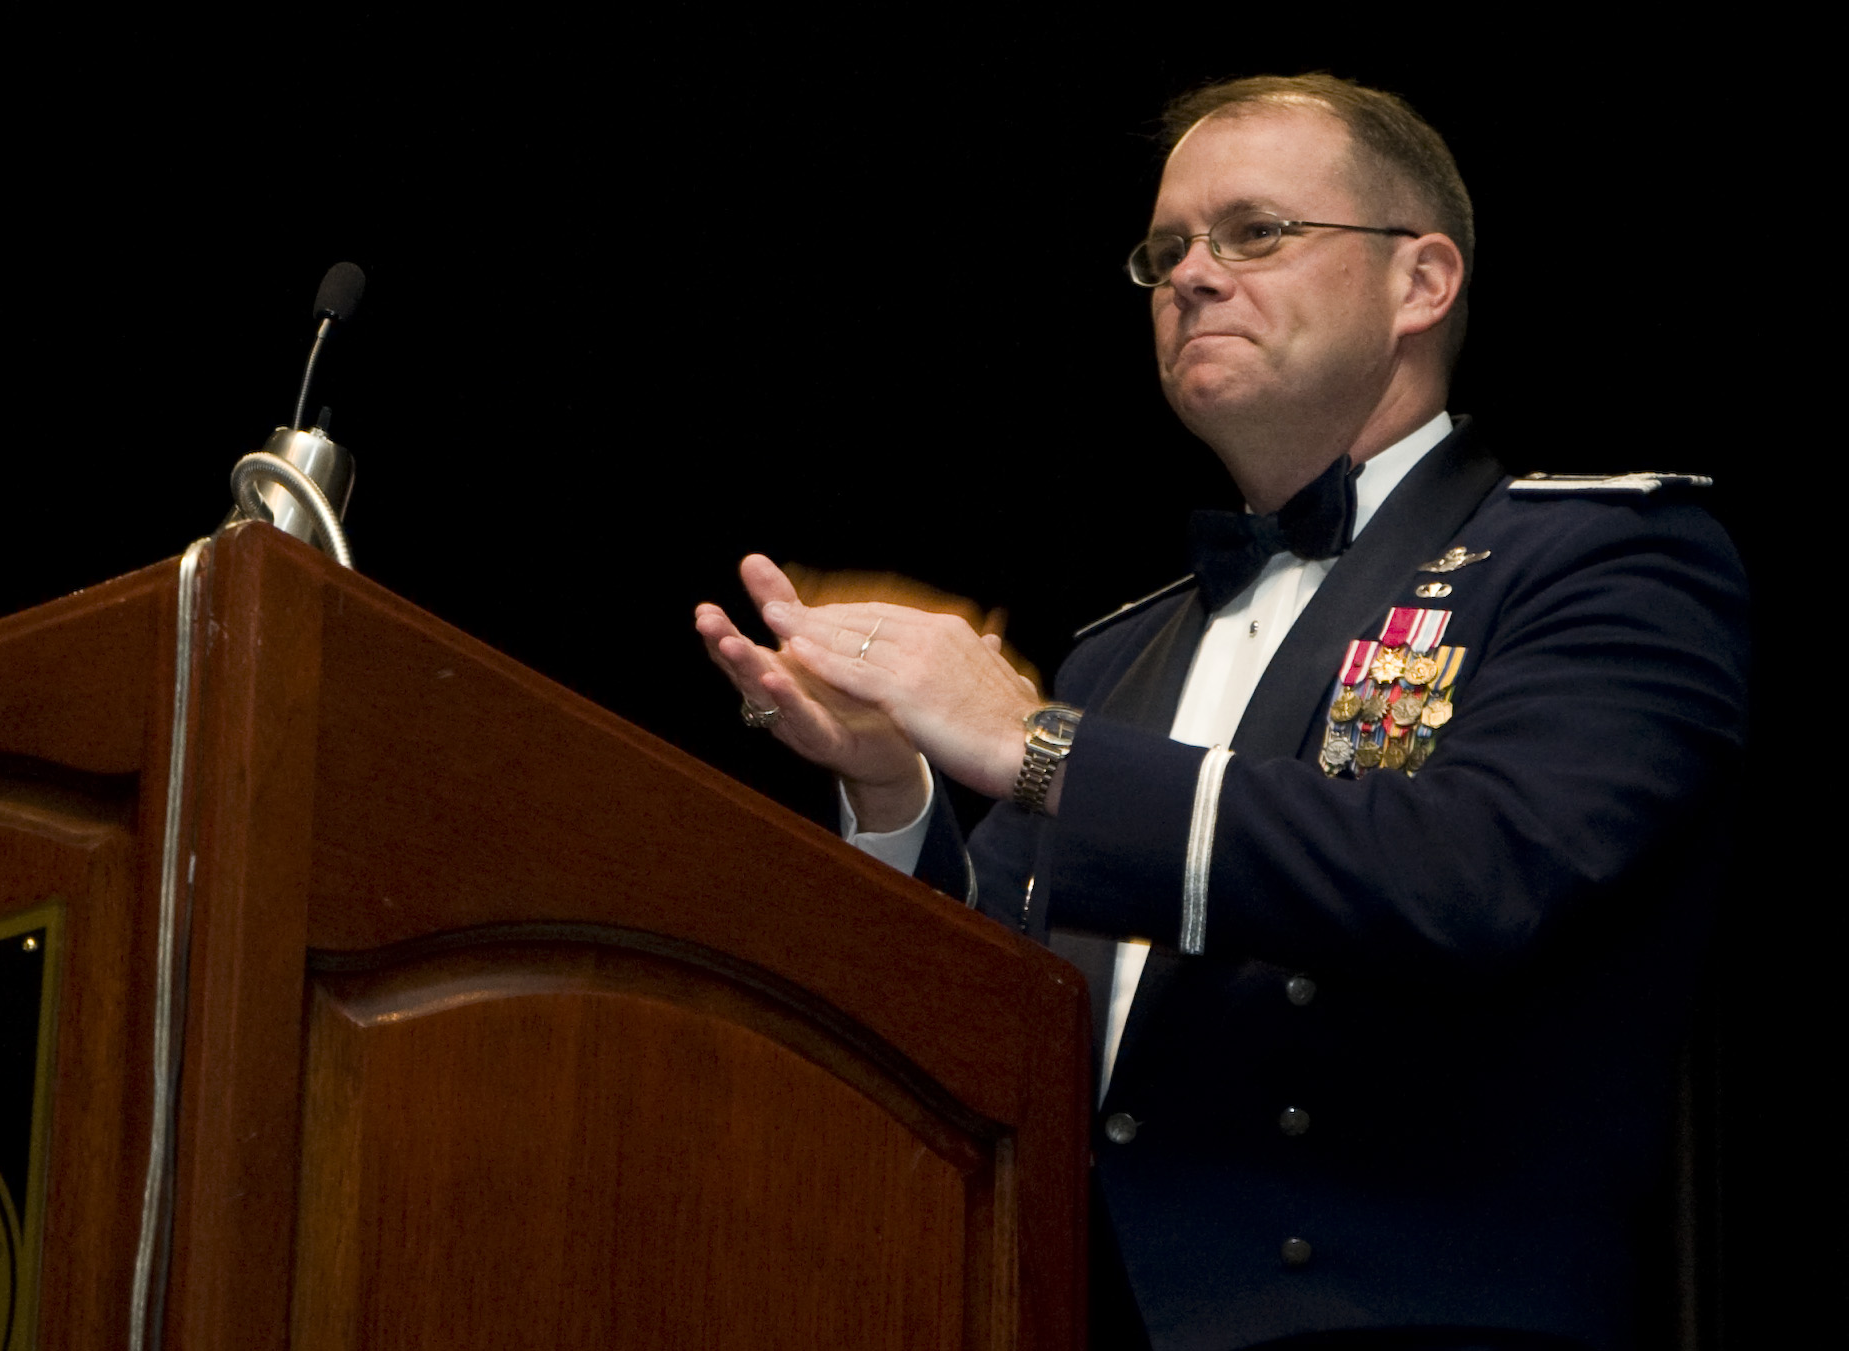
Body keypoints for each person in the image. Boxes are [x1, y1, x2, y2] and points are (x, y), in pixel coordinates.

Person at [695, 74, 1747, 1351]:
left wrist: (1035, 749)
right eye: (1166, 249)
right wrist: (892, 789)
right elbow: (1008, 1008)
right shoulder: (1115, 653)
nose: (1191, 274)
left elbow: (1472, 874)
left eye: (1254, 232)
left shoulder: (1604, 554)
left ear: (1421, 281)